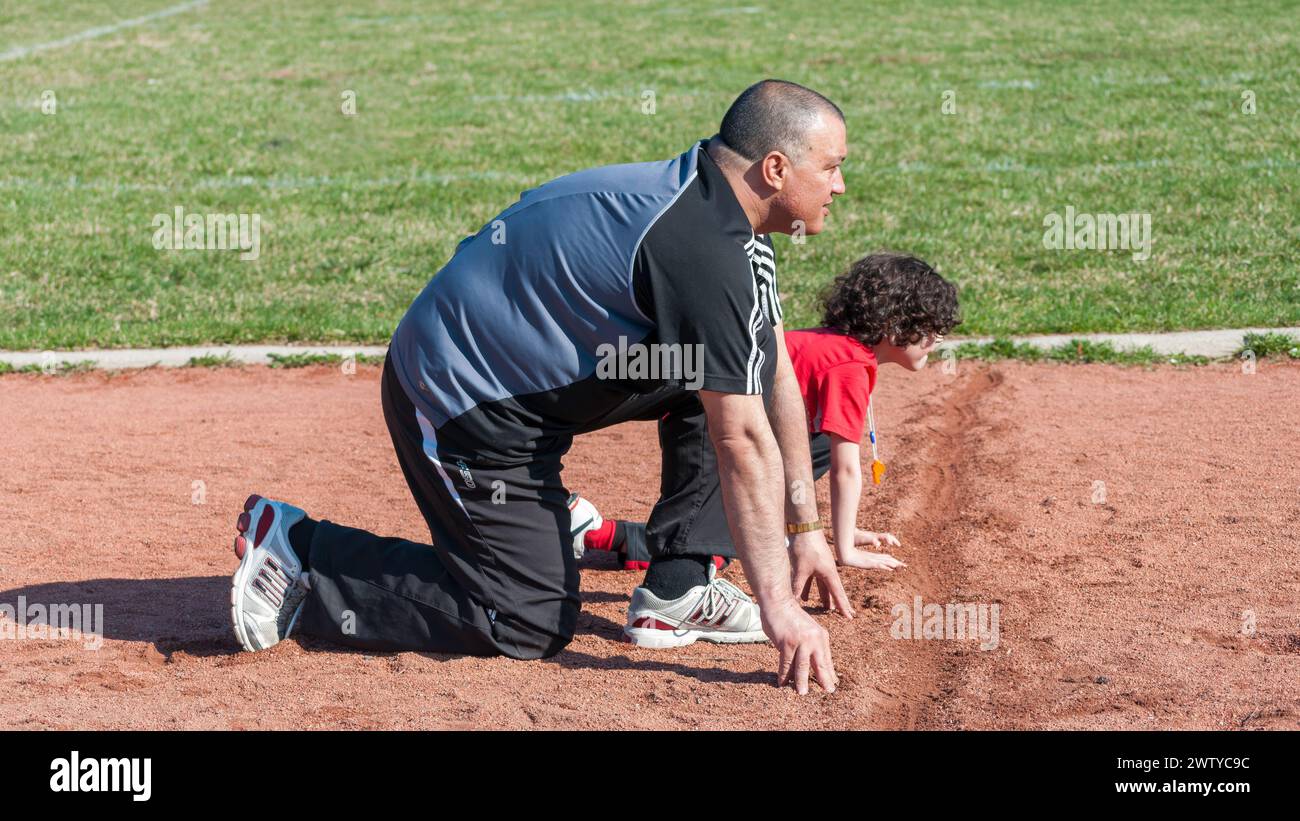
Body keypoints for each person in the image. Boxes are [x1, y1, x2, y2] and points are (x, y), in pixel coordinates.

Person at [229, 79, 852, 695]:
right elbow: (740, 437)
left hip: (528, 380)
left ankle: (680, 585)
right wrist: (780, 609)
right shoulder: (700, 246)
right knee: (526, 621)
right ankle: (303, 555)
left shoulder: (730, 220)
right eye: (831, 168)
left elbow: (767, 370)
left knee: (717, 373)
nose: (839, 186)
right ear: (775, 168)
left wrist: (806, 532)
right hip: (460, 399)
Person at [582, 253, 961, 579]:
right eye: (931, 328)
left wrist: (848, 530)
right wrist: (846, 549)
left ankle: (622, 536)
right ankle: (597, 532)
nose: (938, 338)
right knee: (708, 538)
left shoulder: (842, 350)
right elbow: (848, 468)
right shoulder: (849, 365)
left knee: (812, 449)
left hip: (718, 412)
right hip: (708, 417)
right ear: (894, 328)